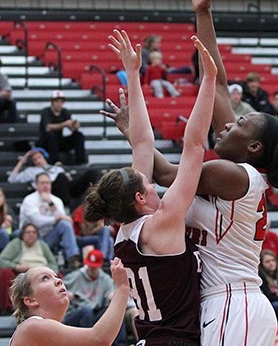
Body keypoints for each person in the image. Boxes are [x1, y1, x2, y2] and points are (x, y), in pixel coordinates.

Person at [102, 0, 278, 345]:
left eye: (240, 126)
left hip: (230, 300)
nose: (228, 124)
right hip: (220, 303)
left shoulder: (234, 175)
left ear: (254, 147)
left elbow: (165, 173)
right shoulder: (242, 168)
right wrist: (203, 13)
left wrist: (138, 136)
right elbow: (221, 86)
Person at [83, 30, 216, 344]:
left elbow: (142, 143)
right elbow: (195, 147)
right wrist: (209, 79)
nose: (155, 183)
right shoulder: (161, 223)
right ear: (140, 197)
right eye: (149, 183)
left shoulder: (127, 231)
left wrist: (133, 72)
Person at [7, 261, 130, 345]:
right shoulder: (32, 327)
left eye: (56, 276)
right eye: (45, 278)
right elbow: (99, 340)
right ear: (30, 300)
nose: (58, 280)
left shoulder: (52, 332)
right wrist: (122, 288)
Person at [62, 250, 127, 345]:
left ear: (100, 266)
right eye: (90, 266)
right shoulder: (76, 276)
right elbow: (61, 286)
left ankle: (121, 344)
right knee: (86, 310)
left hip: (95, 313)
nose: (92, 269)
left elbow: (110, 297)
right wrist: (66, 294)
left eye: (94, 267)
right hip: (77, 313)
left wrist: (111, 297)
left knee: (115, 312)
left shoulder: (105, 279)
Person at [19, 173, 80, 269]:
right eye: (42, 183)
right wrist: (57, 218)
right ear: (36, 185)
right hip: (33, 238)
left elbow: (63, 218)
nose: (45, 186)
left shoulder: (56, 200)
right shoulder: (29, 200)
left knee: (65, 224)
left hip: (50, 237)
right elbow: (37, 221)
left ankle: (73, 258)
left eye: (47, 183)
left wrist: (50, 203)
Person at [0, 223, 59, 314]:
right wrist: (17, 267)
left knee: (58, 276)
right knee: (5, 273)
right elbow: (0, 261)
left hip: (41, 274)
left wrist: (46, 272)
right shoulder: (16, 244)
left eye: (34, 232)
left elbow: (53, 264)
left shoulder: (43, 246)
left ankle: (53, 308)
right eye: (28, 232)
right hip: (20, 275)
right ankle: (10, 308)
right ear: (22, 234)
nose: (31, 234)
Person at [9, 147, 102, 206]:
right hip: (52, 189)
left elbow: (67, 178)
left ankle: (99, 196)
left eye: (39, 157)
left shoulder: (55, 168)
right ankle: (66, 206)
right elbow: (11, 179)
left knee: (92, 172)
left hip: (67, 187)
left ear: (44, 157)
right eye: (34, 160)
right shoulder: (30, 171)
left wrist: (67, 177)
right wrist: (21, 162)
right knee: (61, 177)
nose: (37, 161)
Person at [37, 90, 88, 165]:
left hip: (58, 141)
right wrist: (64, 124)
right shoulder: (46, 111)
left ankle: (81, 161)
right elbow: (48, 127)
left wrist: (75, 126)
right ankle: (56, 161)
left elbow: (72, 129)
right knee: (51, 135)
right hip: (46, 142)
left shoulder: (65, 112)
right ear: (52, 102)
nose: (59, 104)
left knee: (79, 135)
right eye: (56, 101)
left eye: (61, 101)